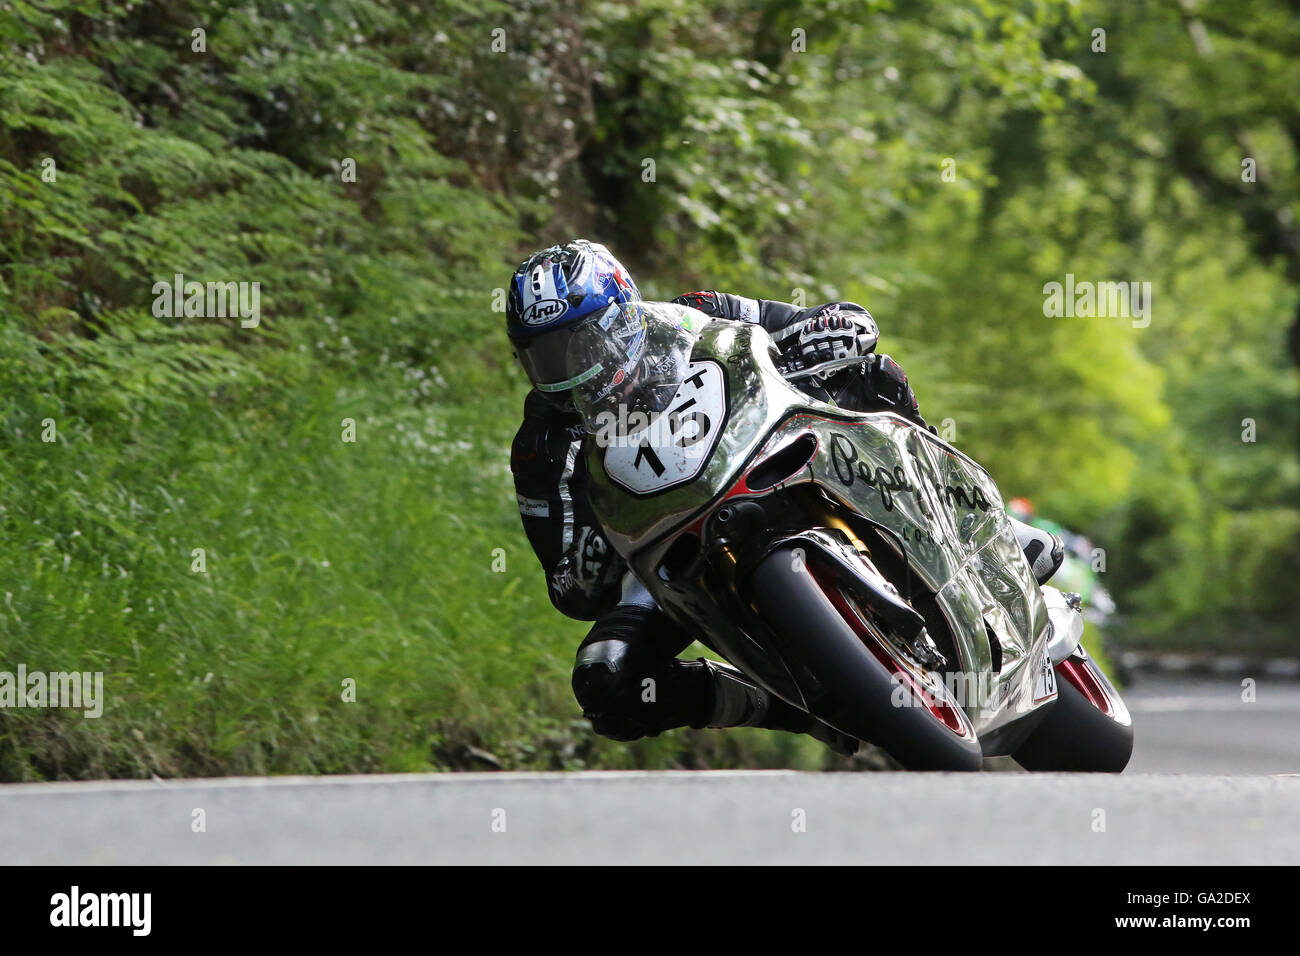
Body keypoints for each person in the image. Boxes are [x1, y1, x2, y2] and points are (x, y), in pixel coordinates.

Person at [507, 239, 1061, 752]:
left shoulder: (697, 311)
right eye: (544, 356)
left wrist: (827, 330)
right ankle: (797, 708)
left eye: (578, 344)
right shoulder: (542, 445)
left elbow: (809, 323)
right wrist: (585, 561)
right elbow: (567, 588)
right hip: (673, 557)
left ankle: (976, 520)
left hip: (775, 450)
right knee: (607, 680)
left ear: (621, 319)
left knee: (872, 371)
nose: (564, 369)